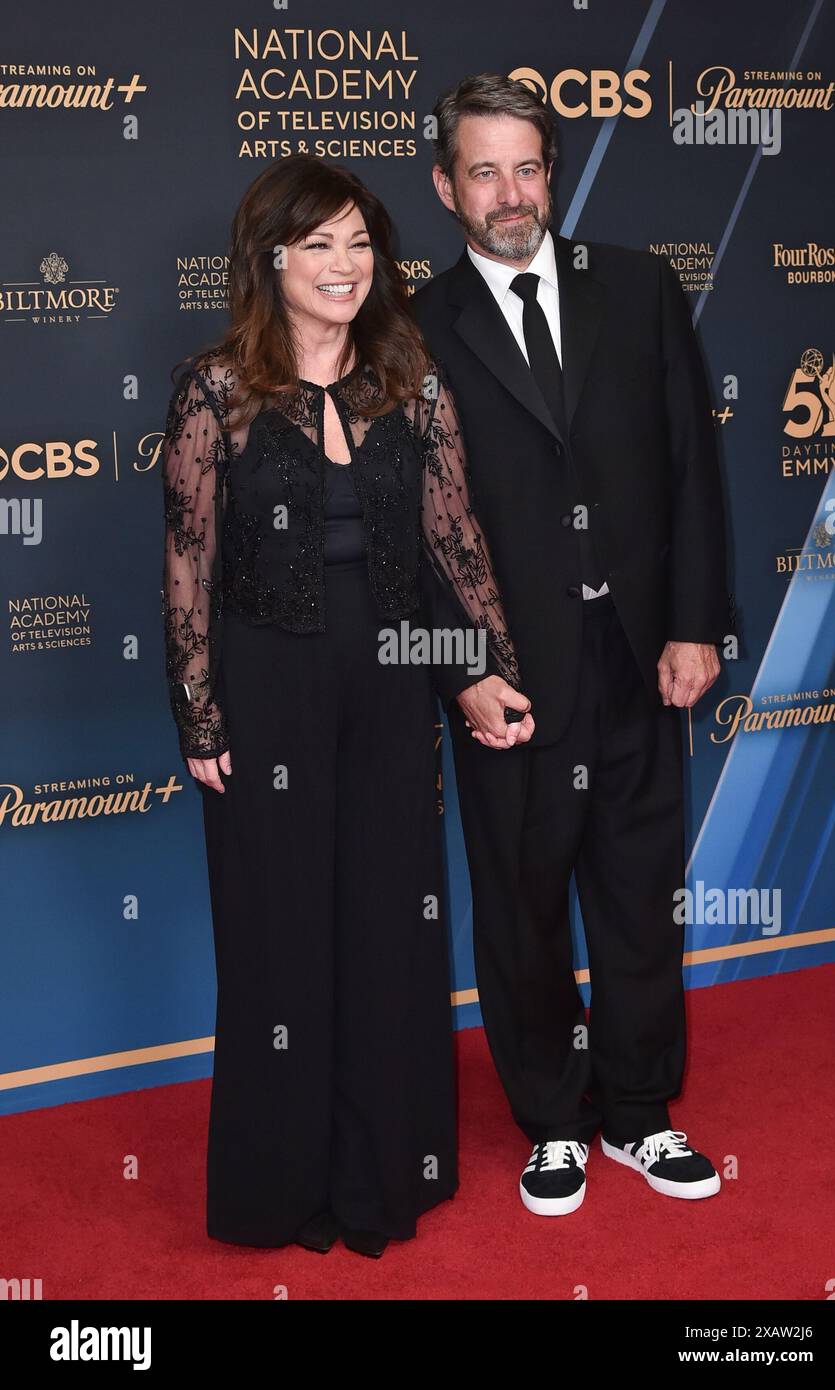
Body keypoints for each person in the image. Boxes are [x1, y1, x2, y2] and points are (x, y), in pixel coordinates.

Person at [160, 153, 533, 1256]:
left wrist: (485, 664)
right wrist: (198, 713)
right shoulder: (215, 391)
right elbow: (187, 563)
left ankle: (385, 1170)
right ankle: (281, 1189)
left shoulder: (406, 381)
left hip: (389, 678)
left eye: (359, 242)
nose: (342, 264)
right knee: (280, 933)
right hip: (265, 682)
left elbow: (453, 543)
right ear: (269, 260)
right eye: (316, 243)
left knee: (389, 922)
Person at [411, 74, 732, 1215]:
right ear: (446, 187)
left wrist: (696, 621)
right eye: (484, 171)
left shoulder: (636, 287)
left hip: (637, 651)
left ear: (553, 172)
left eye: (528, 166)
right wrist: (462, 665)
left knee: (640, 887)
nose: (511, 192)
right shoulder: (412, 330)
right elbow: (413, 524)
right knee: (518, 894)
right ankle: (552, 1116)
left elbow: (691, 469)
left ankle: (640, 1112)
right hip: (509, 671)